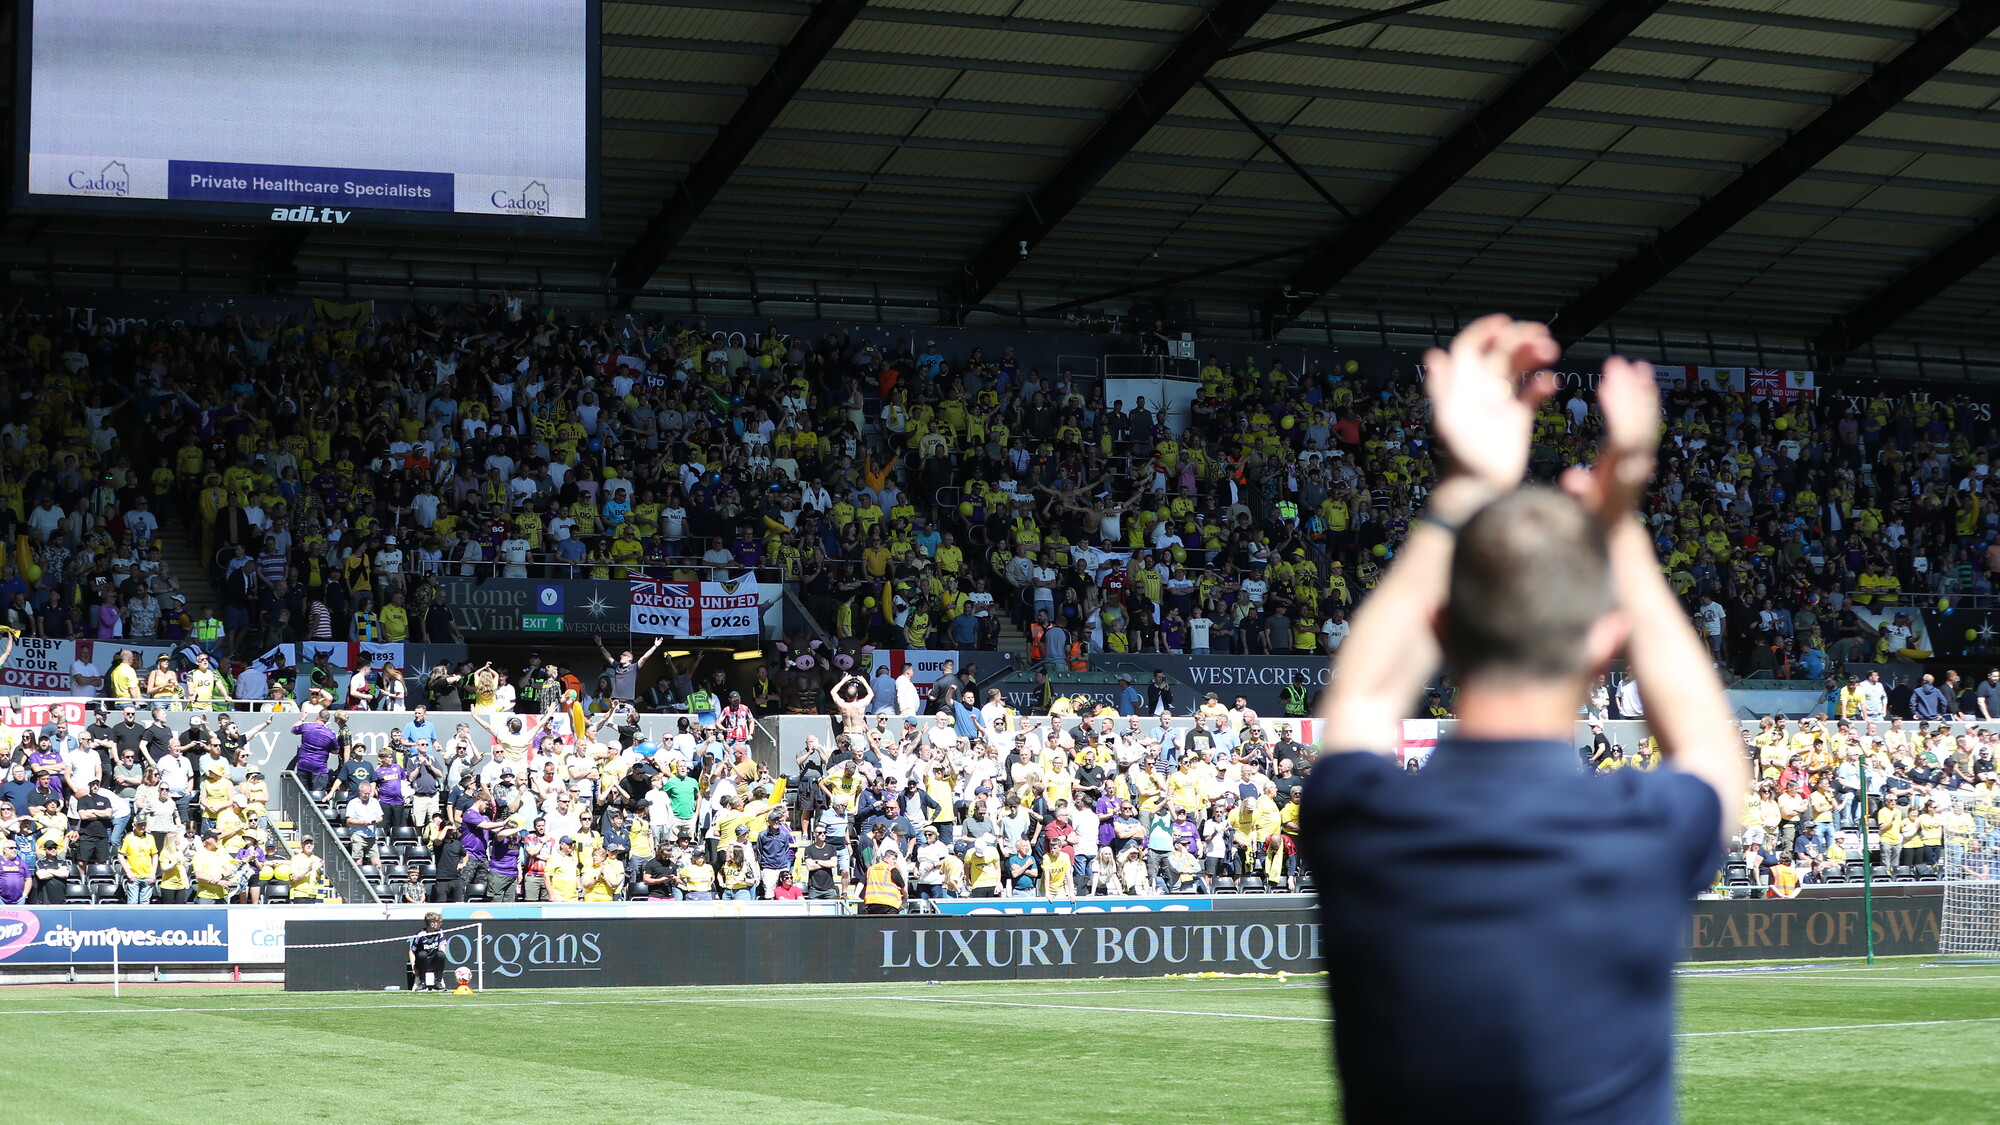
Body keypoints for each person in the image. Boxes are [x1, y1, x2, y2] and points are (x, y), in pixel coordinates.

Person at [1299, 317, 1747, 1123]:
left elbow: (1362, 700)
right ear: (1607, 652)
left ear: (1440, 632)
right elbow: (1711, 748)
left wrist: (1468, 482)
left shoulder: (1362, 816)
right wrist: (1623, 525)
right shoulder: (1641, 827)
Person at [408, 911, 449, 992]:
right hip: (422, 963)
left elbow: (442, 948)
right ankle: (422, 983)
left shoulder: (439, 933)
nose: (440, 924)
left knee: (441, 955)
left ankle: (438, 982)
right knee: (422, 954)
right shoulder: (421, 934)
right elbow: (411, 951)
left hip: (434, 962)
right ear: (432, 924)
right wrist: (413, 967)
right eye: (439, 922)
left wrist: (442, 955)